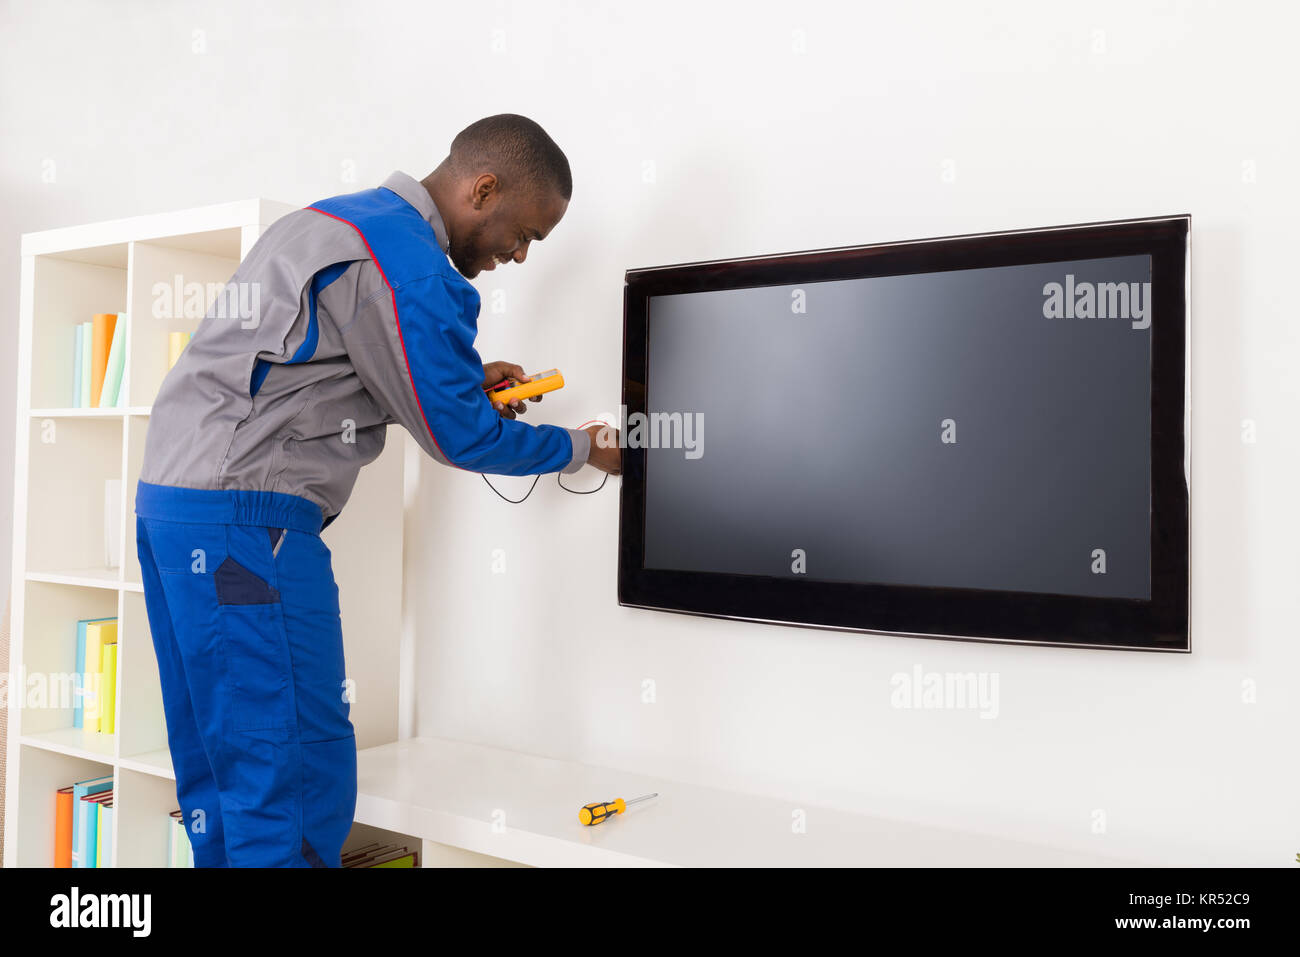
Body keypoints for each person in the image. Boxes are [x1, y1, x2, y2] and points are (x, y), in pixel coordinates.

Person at [133, 113, 621, 867]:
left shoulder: (332, 221)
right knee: (291, 781)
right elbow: (460, 437)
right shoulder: (414, 266)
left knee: (221, 776)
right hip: (248, 525)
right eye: (523, 233)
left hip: (174, 508)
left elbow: (319, 363)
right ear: (482, 188)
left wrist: (463, 382)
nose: (518, 255)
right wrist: (582, 449)